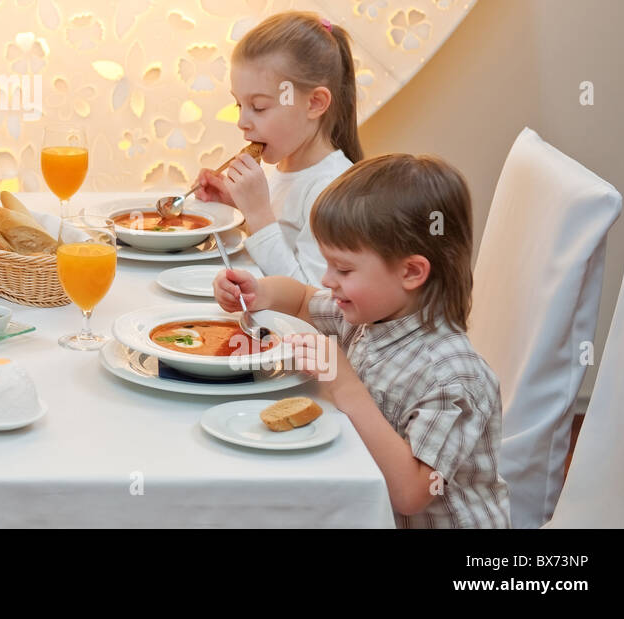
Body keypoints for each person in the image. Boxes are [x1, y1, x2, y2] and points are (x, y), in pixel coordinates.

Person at [214, 154, 511, 528]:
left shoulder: (453, 377)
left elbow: (411, 494)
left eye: (344, 269)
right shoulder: (371, 314)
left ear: (411, 272)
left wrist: (344, 384)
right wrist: (260, 292)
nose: (326, 280)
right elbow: (303, 300)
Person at [193, 11, 362, 286]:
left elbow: (315, 302)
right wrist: (237, 205)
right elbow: (275, 247)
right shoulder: (287, 166)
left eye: (259, 107)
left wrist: (259, 214)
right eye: (239, 105)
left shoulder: (334, 190)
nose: (242, 122)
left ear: (315, 103)